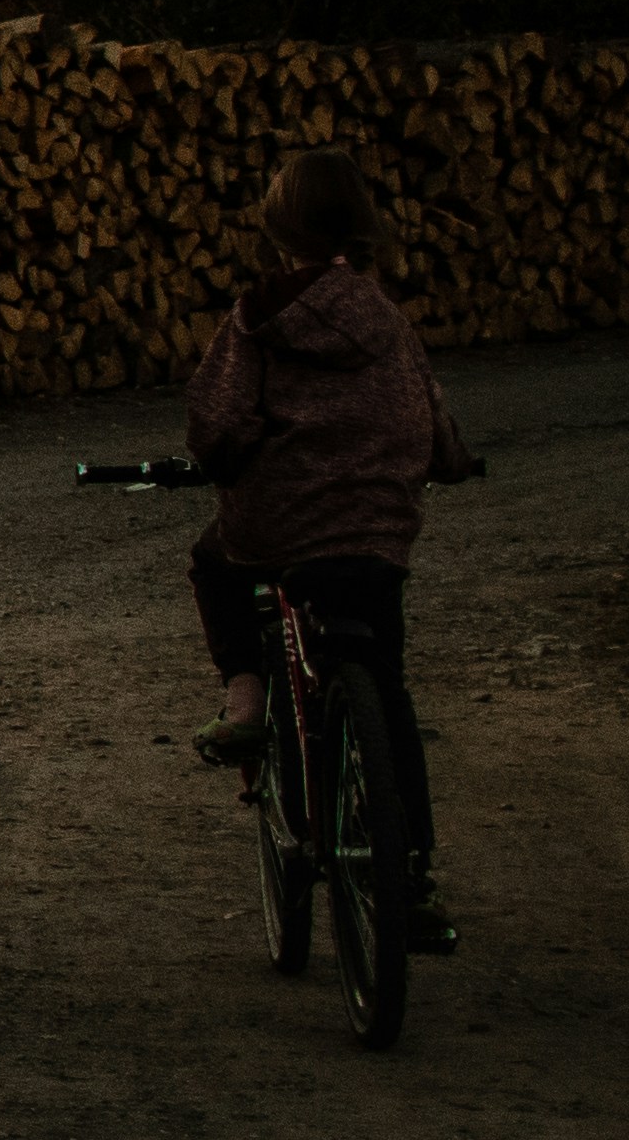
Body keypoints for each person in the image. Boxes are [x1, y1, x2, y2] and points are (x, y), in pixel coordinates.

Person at [183, 148, 480, 952]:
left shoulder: (257, 315)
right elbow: (434, 423)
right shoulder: (389, 320)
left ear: (280, 231)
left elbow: (219, 425)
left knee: (216, 564)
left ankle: (247, 702)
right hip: (376, 536)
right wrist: (452, 463)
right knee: (387, 686)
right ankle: (408, 872)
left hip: (277, 529)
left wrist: (221, 460)